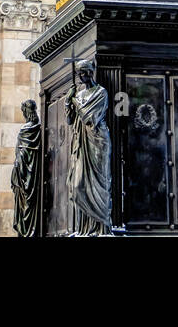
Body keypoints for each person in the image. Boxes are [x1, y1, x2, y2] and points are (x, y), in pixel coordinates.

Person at [66, 61, 112, 236]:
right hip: (81, 142)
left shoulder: (101, 92)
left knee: (100, 184)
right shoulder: (80, 94)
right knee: (77, 185)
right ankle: (85, 228)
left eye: (82, 73)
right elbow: (71, 120)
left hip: (97, 141)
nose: (79, 77)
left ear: (89, 73)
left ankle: (102, 226)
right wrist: (67, 103)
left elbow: (89, 117)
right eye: (78, 73)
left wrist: (74, 100)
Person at [11, 100, 42, 237]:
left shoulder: (26, 129)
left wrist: (17, 172)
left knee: (24, 205)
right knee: (29, 204)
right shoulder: (39, 128)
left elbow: (21, 156)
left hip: (23, 176)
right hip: (32, 176)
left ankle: (27, 231)